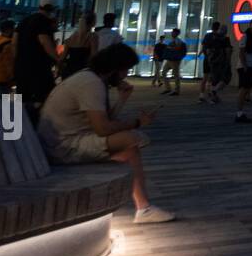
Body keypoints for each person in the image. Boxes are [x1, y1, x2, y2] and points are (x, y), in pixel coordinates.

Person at [36, 42, 174, 224]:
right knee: (130, 139)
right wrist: (137, 123)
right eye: (126, 69)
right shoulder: (91, 84)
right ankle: (144, 208)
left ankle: (144, 207)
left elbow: (104, 122)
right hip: (62, 146)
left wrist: (123, 99)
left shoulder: (89, 78)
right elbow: (103, 129)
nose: (126, 75)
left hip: (62, 141)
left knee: (129, 150)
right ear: (116, 68)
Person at [15, 0, 59, 123]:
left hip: (21, 68)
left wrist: (17, 61)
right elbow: (44, 41)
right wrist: (57, 59)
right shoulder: (43, 21)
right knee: (47, 97)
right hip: (38, 68)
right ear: (52, 9)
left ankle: (21, 126)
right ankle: (37, 124)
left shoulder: (25, 20)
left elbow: (14, 43)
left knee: (22, 100)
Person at [236, 17, 252, 123]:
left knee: (246, 88)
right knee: (244, 88)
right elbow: (241, 52)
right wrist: (245, 65)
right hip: (245, 66)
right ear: (251, 24)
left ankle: (240, 112)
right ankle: (239, 112)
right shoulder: (246, 36)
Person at [61, 11, 98, 79]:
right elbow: (94, 56)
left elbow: (62, 58)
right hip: (82, 72)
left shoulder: (72, 37)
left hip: (68, 71)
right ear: (93, 22)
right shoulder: (93, 36)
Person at [162, 27, 188, 96]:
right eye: (172, 32)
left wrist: (169, 48)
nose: (172, 33)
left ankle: (176, 90)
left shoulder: (178, 41)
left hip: (174, 60)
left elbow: (177, 49)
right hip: (171, 60)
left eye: (173, 32)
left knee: (175, 74)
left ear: (177, 33)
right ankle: (169, 88)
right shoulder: (173, 40)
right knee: (164, 72)